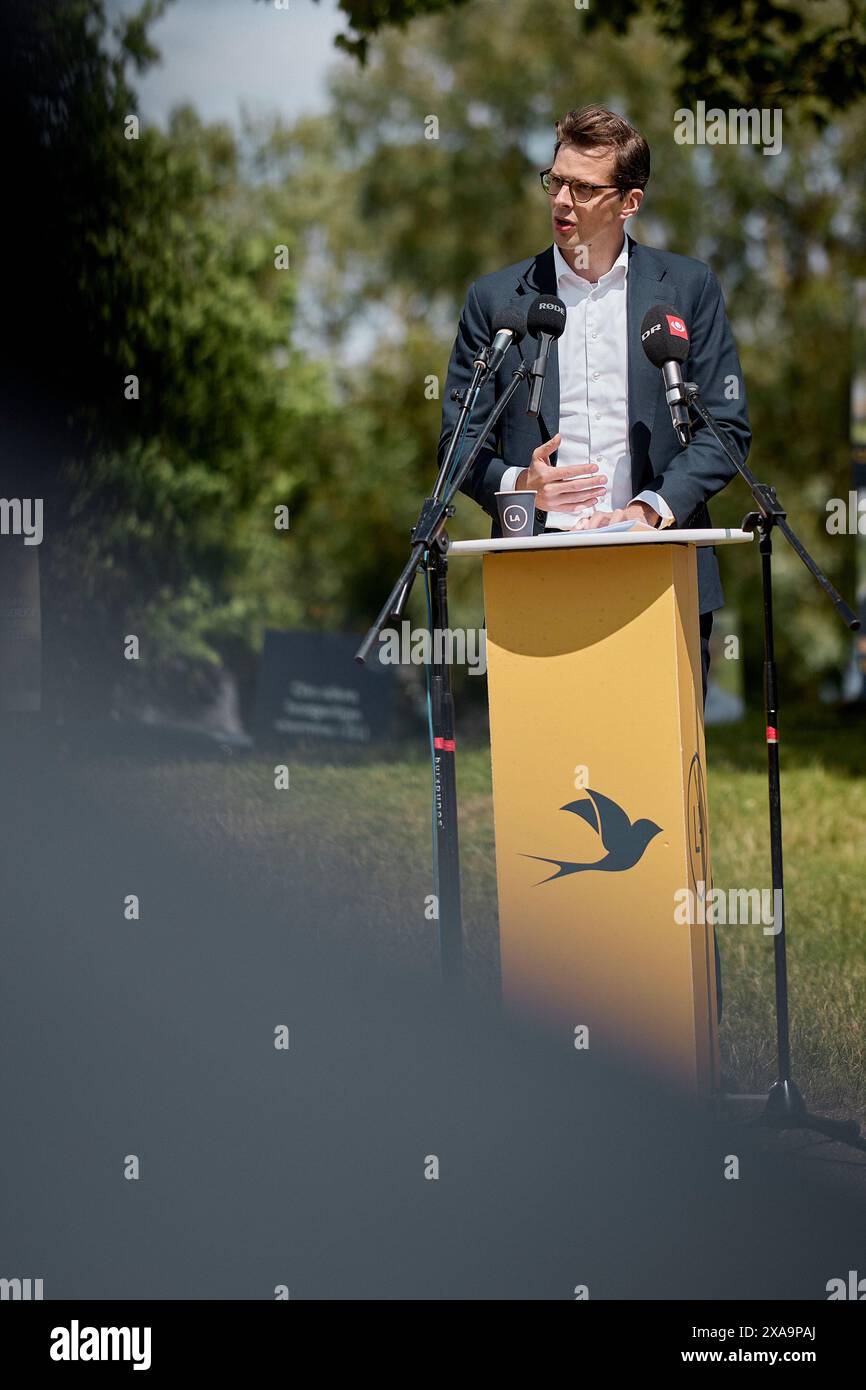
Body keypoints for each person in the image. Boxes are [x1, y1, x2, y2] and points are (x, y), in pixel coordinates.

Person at [438, 105, 752, 1017]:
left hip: (657, 579)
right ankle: (554, 1018)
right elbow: (457, 447)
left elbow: (726, 430)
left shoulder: (685, 290)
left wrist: (656, 508)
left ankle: (674, 1026)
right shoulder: (499, 300)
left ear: (631, 200)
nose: (562, 202)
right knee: (553, 803)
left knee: (659, 813)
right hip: (540, 588)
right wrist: (514, 478)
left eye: (583, 186)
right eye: (555, 182)